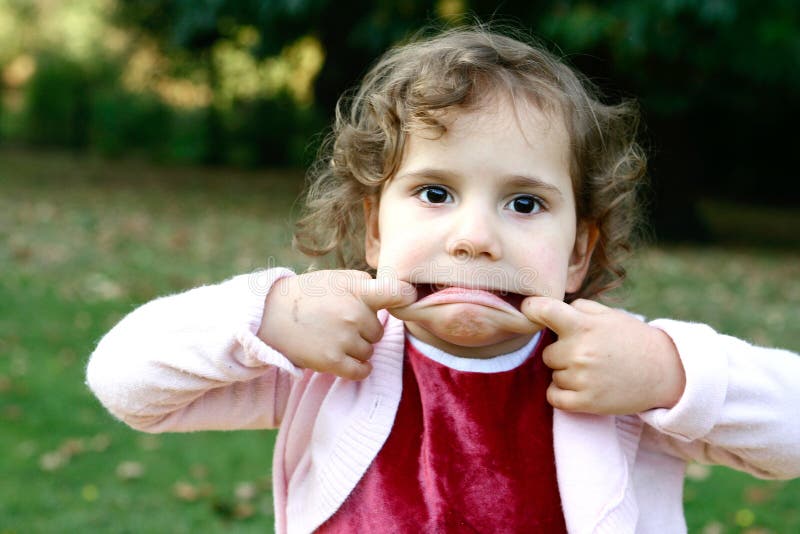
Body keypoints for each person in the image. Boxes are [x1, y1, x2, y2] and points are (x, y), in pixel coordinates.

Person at [86, 26, 800, 533]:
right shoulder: (332, 353)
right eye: (434, 193)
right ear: (373, 230)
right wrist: (263, 316)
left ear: (579, 252)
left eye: (525, 204)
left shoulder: (621, 370)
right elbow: (125, 383)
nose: (474, 238)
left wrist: (674, 375)